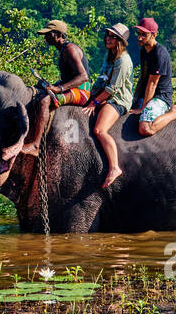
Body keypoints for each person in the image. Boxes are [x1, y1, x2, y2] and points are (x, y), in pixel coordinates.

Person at [23, 19, 91, 158]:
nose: (46, 37)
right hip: (71, 87)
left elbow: (83, 76)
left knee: (45, 101)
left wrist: (59, 88)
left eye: (49, 34)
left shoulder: (70, 49)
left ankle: (36, 145)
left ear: (58, 34)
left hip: (81, 91)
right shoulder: (63, 50)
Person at [129, 17, 176, 136]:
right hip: (147, 94)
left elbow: (152, 84)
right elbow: (143, 77)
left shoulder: (160, 55)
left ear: (153, 35)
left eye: (144, 35)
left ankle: (175, 112)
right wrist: (135, 98)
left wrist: (142, 108)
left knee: (145, 128)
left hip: (160, 96)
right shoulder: (144, 50)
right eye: (138, 34)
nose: (139, 37)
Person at [89, 23, 134, 189]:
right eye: (107, 35)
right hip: (105, 96)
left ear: (120, 41)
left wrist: (95, 102)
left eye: (112, 36)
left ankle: (115, 167)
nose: (108, 38)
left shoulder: (123, 60)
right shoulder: (109, 56)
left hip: (118, 99)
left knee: (99, 130)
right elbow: (101, 79)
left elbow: (112, 88)